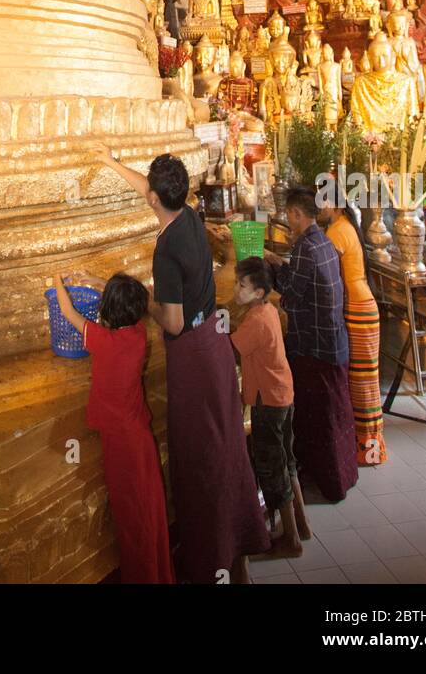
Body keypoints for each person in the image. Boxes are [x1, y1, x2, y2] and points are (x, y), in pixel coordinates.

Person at [97, 147, 270, 583]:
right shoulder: (189, 213)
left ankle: (209, 555)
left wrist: (139, 297)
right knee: (224, 441)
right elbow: (153, 191)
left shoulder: (166, 251)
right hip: (213, 338)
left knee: (199, 456)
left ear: (156, 198)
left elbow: (171, 321)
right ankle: (240, 538)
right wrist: (111, 163)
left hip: (191, 352)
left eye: (150, 190)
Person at [53, 271, 174, 585]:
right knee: (150, 512)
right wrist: (96, 280)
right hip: (139, 438)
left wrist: (56, 278)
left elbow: (68, 312)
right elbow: (130, 298)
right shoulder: (136, 335)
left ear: (106, 310)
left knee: (133, 520)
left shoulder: (103, 342)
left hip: (122, 447)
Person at [264, 186, 358, 503]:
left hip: (315, 347)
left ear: (296, 214)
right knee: (335, 413)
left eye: (288, 214)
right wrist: (280, 261)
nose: (287, 219)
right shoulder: (323, 241)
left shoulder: (306, 247)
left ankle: (327, 480)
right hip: (333, 341)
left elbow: (291, 296)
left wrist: (272, 270)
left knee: (318, 417)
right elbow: (303, 280)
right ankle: (342, 475)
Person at [231, 257, 310, 557]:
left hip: (268, 399)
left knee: (272, 466)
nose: (237, 290)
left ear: (260, 292)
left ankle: (291, 539)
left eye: (242, 286)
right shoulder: (269, 312)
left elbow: (231, 348)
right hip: (283, 394)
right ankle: (300, 525)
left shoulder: (256, 321)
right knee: (286, 461)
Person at [318, 196, 388, 468]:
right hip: (360, 305)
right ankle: (363, 447)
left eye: (322, 203)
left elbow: (324, 270)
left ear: (335, 206)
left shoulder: (338, 230)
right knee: (360, 379)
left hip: (359, 308)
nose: (319, 208)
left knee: (362, 382)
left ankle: (370, 450)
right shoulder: (345, 225)